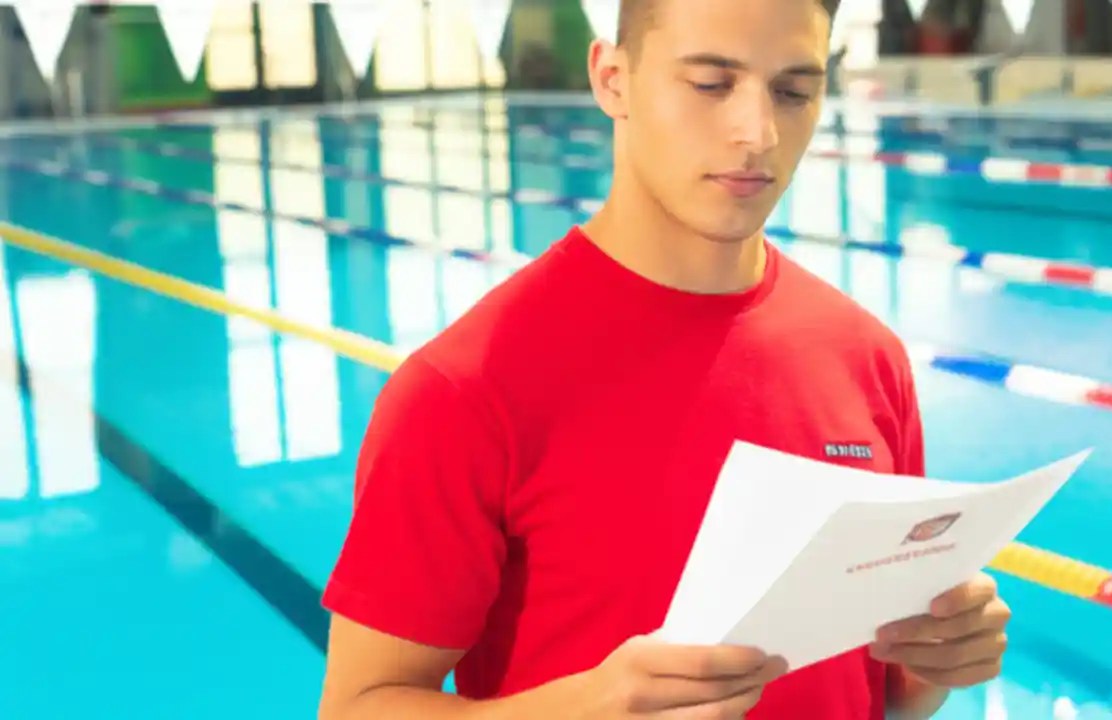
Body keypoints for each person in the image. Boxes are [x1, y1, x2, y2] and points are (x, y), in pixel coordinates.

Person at [317, 0, 1011, 717]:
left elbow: (877, 697)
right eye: (711, 84)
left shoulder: (865, 358)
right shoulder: (465, 389)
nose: (758, 132)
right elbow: (357, 707)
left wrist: (936, 665)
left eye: (793, 91)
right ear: (613, 78)